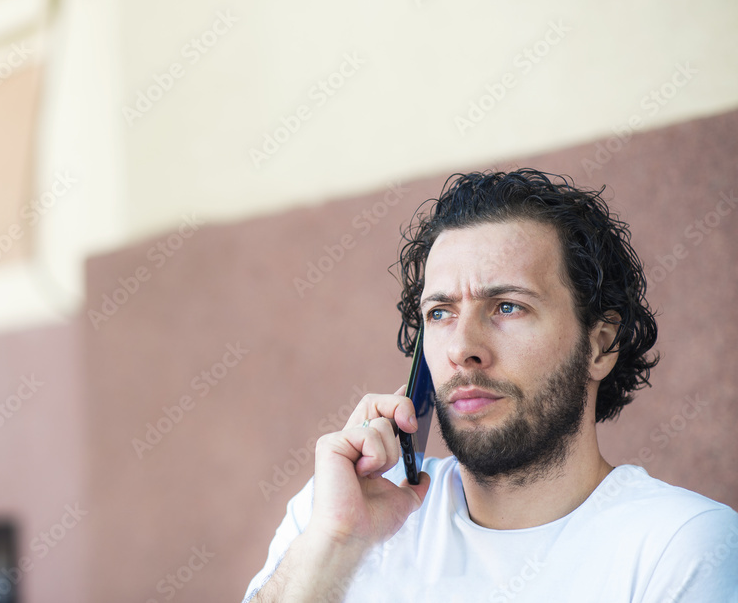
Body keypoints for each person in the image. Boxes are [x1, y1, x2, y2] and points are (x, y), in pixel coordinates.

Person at [243, 169, 738, 602]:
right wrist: (334, 543)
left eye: (507, 307)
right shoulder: (340, 511)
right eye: (440, 313)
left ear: (599, 345)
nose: (462, 348)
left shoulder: (680, 545)